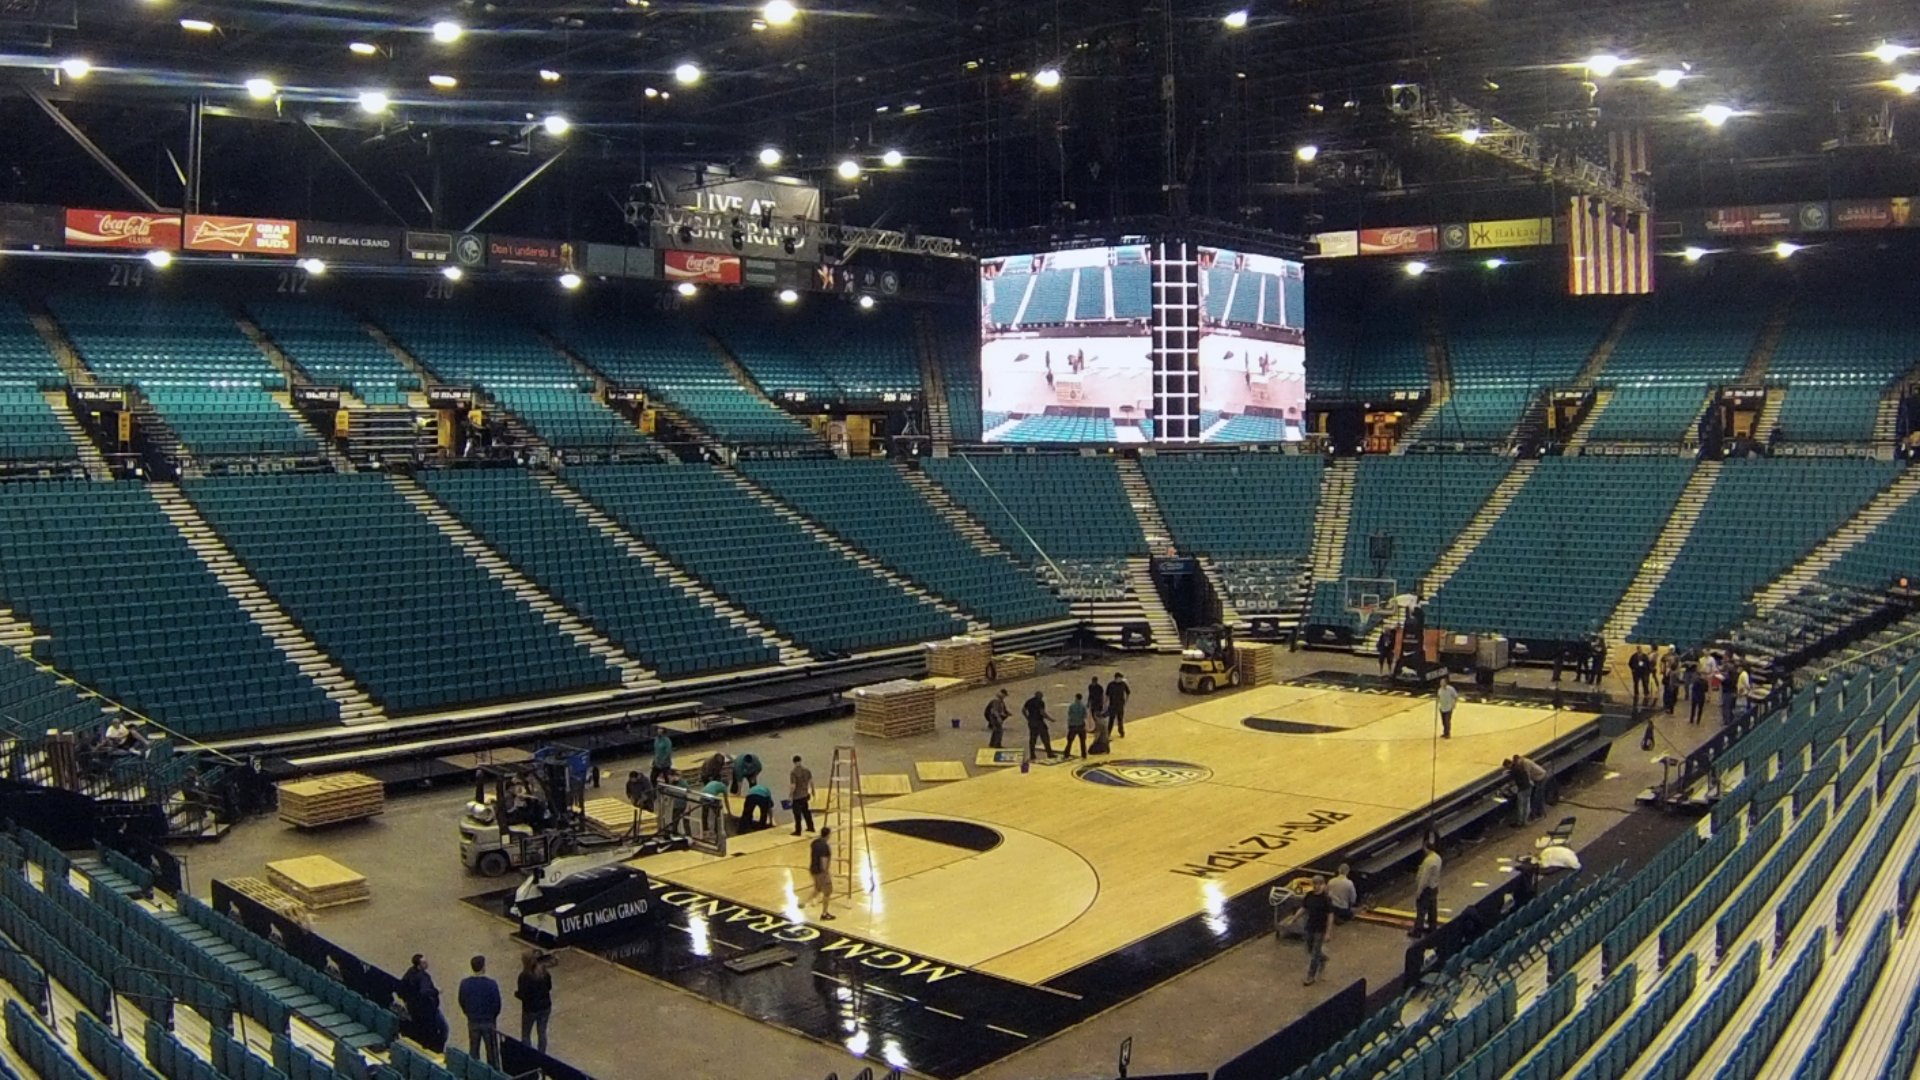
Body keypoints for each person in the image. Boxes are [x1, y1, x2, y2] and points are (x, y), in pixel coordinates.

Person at [458, 955, 502, 1066]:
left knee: (474, 1050)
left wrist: (468, 1013)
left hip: (473, 1020)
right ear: (483, 967)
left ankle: (474, 1073)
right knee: (492, 1052)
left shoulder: (465, 984)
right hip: (488, 1021)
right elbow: (497, 1004)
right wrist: (492, 1016)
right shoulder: (491, 984)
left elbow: (461, 1001)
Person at [398, 954, 447, 1052]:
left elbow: (401, 989)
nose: (427, 963)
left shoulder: (409, 973)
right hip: (427, 1010)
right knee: (444, 1028)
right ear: (419, 965)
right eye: (424, 962)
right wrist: (436, 991)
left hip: (414, 1008)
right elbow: (424, 991)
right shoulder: (423, 977)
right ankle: (439, 1049)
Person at [515, 950, 554, 1053]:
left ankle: (528, 1054)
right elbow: (549, 987)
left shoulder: (524, 976)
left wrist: (516, 994)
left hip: (530, 1009)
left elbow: (523, 995)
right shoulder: (544, 973)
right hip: (545, 1007)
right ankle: (542, 1054)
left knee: (526, 1033)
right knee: (542, 1032)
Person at [1300, 875, 1334, 986]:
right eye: (1314, 884)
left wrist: (1328, 932)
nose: (1316, 886)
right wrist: (1294, 918)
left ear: (1322, 885)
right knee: (1310, 948)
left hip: (1320, 929)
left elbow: (1330, 916)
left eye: (1318, 884)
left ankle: (1310, 976)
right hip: (1310, 927)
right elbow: (1303, 908)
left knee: (1314, 953)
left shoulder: (1326, 899)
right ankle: (1322, 957)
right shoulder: (1309, 895)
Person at [1411, 842, 1442, 937]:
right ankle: (1432, 928)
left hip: (1426, 889)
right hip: (1434, 887)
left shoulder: (1428, 861)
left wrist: (1419, 891)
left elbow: (1424, 878)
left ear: (1426, 848)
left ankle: (1417, 931)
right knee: (1432, 909)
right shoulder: (1438, 858)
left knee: (1421, 911)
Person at [1507, 754, 1548, 823]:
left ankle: (1538, 813)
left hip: (1541, 777)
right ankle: (1537, 812)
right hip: (1537, 778)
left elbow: (1527, 775)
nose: (1517, 764)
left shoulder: (1526, 763)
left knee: (1537, 796)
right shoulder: (1523, 762)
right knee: (1535, 796)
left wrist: (1529, 784)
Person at [808, 827, 836, 920]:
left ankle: (804, 903)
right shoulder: (824, 846)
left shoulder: (815, 843)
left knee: (818, 888)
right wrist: (826, 873)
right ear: (828, 835)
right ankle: (824, 913)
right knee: (828, 891)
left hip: (813, 869)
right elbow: (823, 862)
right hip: (821, 872)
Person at [1024, 691, 1057, 760]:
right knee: (1045, 737)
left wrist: (1027, 718)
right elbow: (1042, 713)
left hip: (1031, 722)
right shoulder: (1041, 702)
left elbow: (1023, 710)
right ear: (1040, 696)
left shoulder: (1029, 701)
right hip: (1039, 722)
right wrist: (1050, 719)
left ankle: (1032, 755)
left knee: (1032, 739)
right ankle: (1049, 753)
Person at [789, 755, 814, 835]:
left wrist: (790, 795)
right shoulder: (806, 770)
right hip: (805, 794)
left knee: (797, 814)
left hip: (797, 796)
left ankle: (798, 830)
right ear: (800, 761)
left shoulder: (793, 772)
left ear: (794, 762)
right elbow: (811, 781)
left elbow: (793, 785)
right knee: (806, 812)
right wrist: (813, 791)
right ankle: (811, 827)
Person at [1063, 693, 1091, 759]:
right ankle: (1084, 754)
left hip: (1073, 726)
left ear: (1076, 698)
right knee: (1083, 742)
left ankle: (1066, 754)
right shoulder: (1083, 706)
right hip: (1081, 725)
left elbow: (1069, 715)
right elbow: (1085, 716)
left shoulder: (1072, 706)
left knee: (1070, 741)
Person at [1105, 671, 1131, 739]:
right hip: (1112, 705)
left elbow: (1128, 692)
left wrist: (1126, 701)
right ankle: (1108, 733)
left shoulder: (1123, 684)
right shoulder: (1110, 685)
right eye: (1120, 678)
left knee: (1120, 720)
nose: (1121, 679)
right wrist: (1105, 703)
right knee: (1111, 720)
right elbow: (1107, 695)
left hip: (1120, 705)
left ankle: (1121, 732)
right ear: (1117, 678)